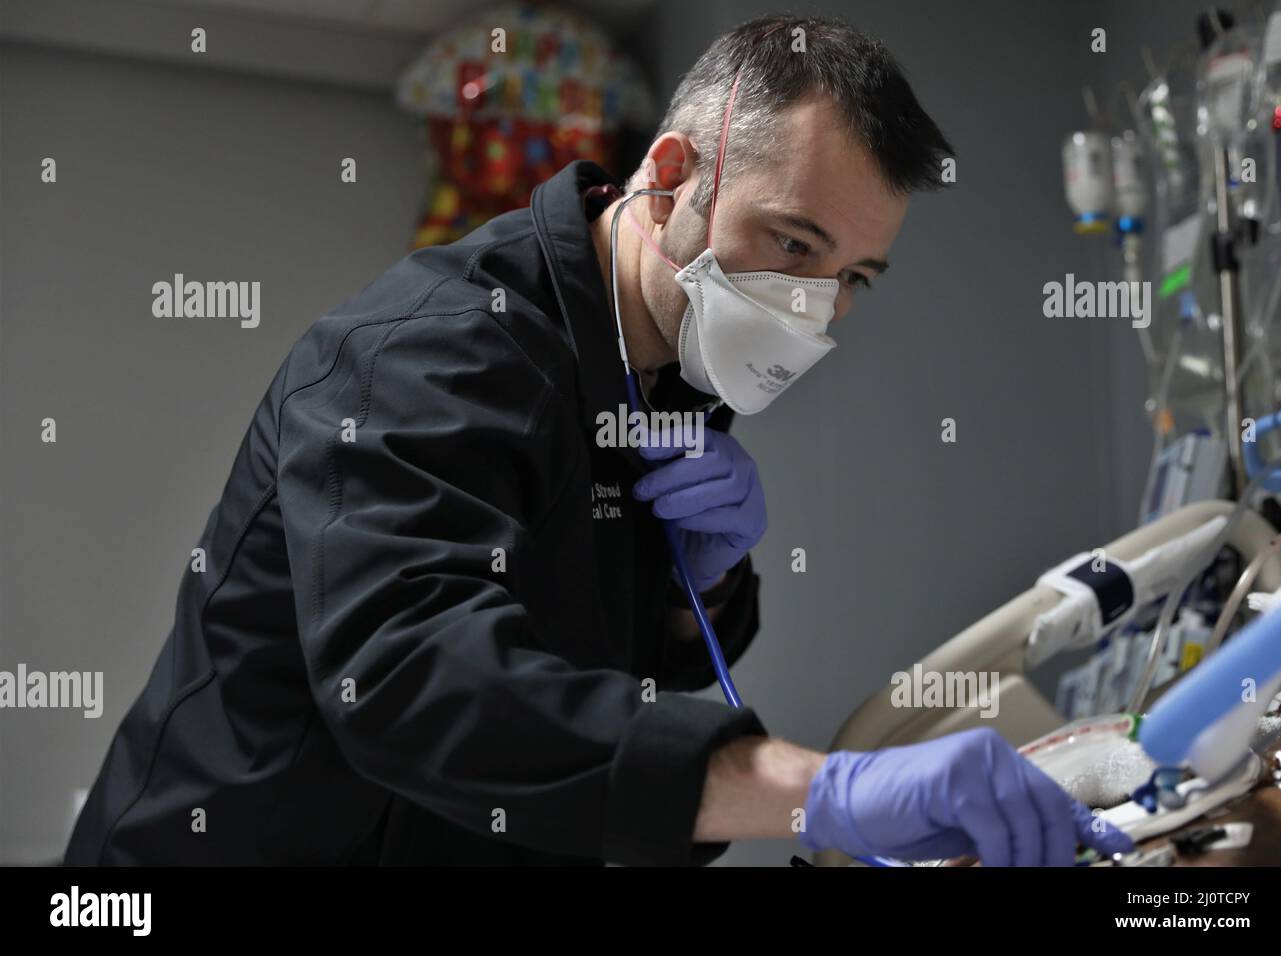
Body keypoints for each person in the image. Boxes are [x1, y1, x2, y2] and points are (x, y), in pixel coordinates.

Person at [65, 15, 1135, 867]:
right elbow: (411, 677)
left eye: (852, 277)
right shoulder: (425, 353)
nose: (816, 308)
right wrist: (828, 792)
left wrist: (694, 598)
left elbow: (575, 668)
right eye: (794, 242)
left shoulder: (664, 366)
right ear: (670, 176)